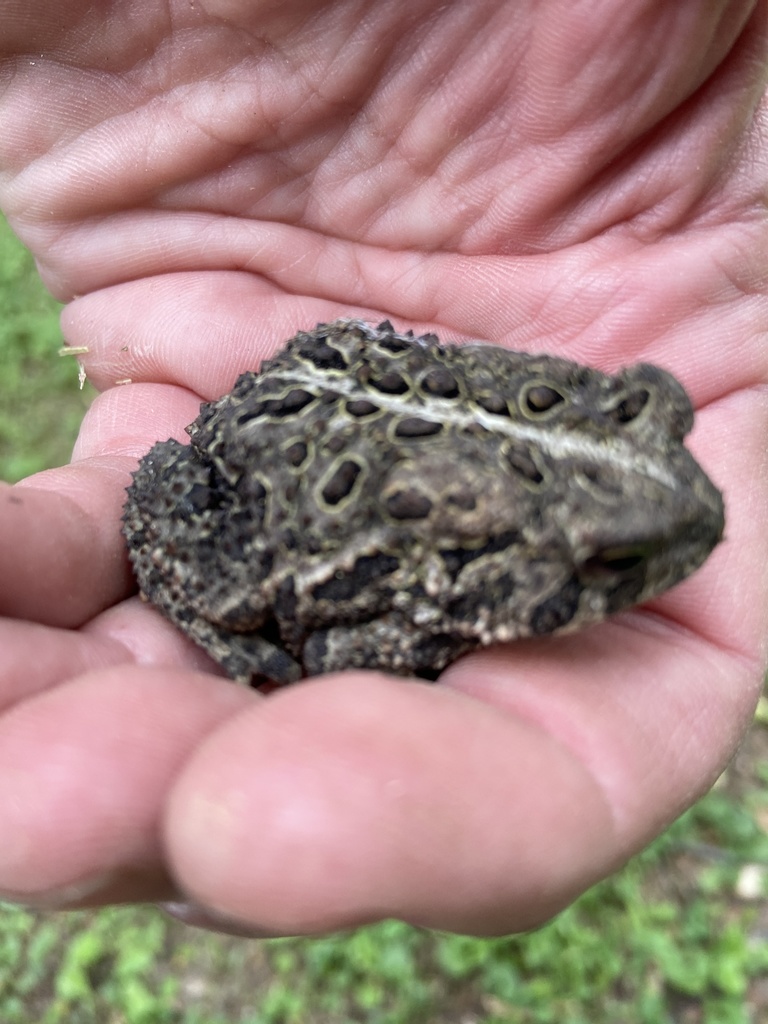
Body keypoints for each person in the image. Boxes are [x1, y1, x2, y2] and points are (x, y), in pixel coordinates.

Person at [0, 0, 766, 938]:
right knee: (237, 590)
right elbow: (332, 649)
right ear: (519, 568)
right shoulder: (433, 588)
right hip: (265, 473)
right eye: (614, 557)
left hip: (334, 375)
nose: (697, 506)